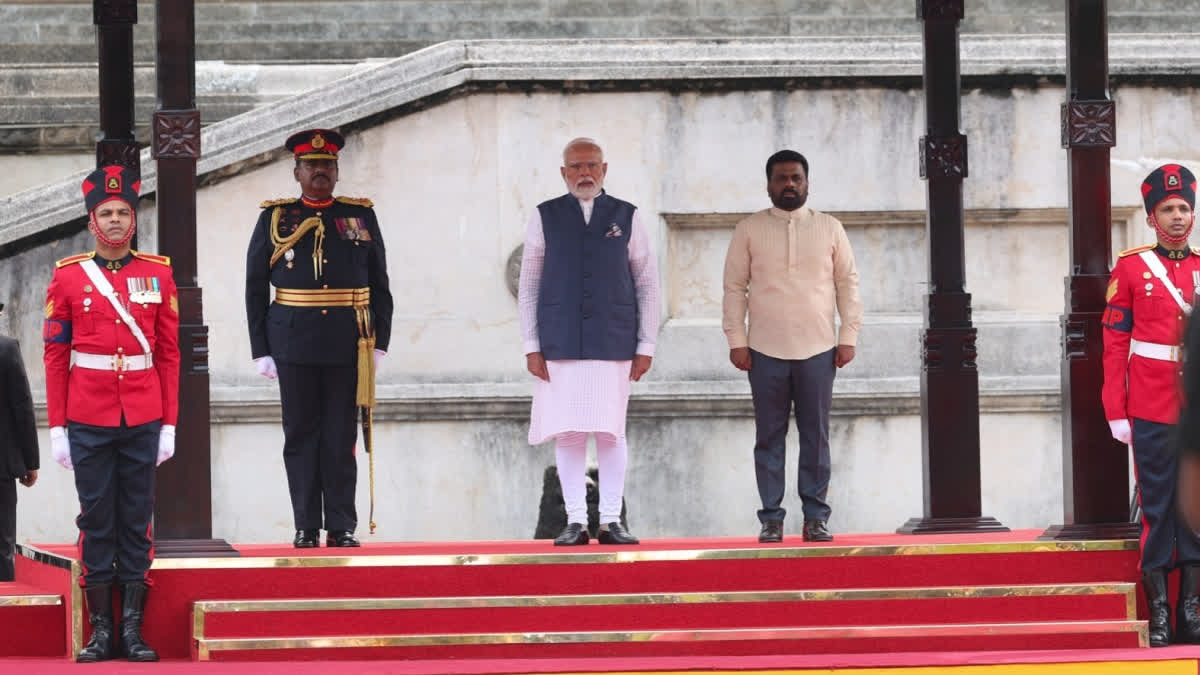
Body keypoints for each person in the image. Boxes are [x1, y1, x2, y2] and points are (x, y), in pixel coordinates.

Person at [42, 164, 179, 662]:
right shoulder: (68, 278)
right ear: (91, 220)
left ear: (134, 219)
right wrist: (57, 426)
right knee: (97, 518)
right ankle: (101, 631)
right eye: (107, 212)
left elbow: (168, 353)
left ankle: (133, 631)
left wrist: (169, 422)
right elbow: (55, 356)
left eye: (124, 212)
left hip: (142, 413)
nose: (117, 220)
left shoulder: (158, 273)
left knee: (136, 520)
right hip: (88, 415)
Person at [245, 129, 393, 549]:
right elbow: (255, 287)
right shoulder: (274, 218)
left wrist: (379, 341)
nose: (319, 172)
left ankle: (342, 525)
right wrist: (262, 350)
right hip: (293, 342)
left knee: (342, 436)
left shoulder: (360, 214)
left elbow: (380, 283)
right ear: (297, 172)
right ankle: (306, 525)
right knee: (301, 435)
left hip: (349, 342)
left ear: (337, 170)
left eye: (326, 165)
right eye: (311, 166)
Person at [517, 137, 660, 546]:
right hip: (560, 341)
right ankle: (576, 520)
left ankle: (611, 520)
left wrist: (645, 344)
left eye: (591, 166)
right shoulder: (545, 216)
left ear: (604, 169)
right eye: (576, 167)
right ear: (564, 173)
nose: (584, 173)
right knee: (569, 433)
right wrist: (531, 344)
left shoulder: (626, 216)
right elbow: (529, 283)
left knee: (612, 432)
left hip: (613, 340)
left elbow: (647, 282)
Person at [722, 149, 862, 545]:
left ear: (807, 182)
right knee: (769, 436)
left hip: (819, 348)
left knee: (816, 436)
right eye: (781, 178)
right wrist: (737, 339)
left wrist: (847, 336)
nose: (789, 185)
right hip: (764, 350)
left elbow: (848, 283)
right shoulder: (748, 229)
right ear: (769, 184)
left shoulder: (830, 227)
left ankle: (815, 517)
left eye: (795, 178)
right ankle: (771, 518)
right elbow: (734, 287)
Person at [1102, 163, 1200, 647]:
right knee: (1159, 509)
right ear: (1150, 216)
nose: (1179, 217)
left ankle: (1192, 611)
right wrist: (1116, 409)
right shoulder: (1132, 269)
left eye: (1185, 208)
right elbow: (1115, 345)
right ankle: (1160, 612)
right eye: (1169, 209)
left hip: (1195, 409)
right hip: (1152, 406)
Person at [1, 301, 38, 582]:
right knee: (3, 542)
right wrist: (30, 461)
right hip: (2, 465)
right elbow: (22, 407)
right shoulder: (6, 348)